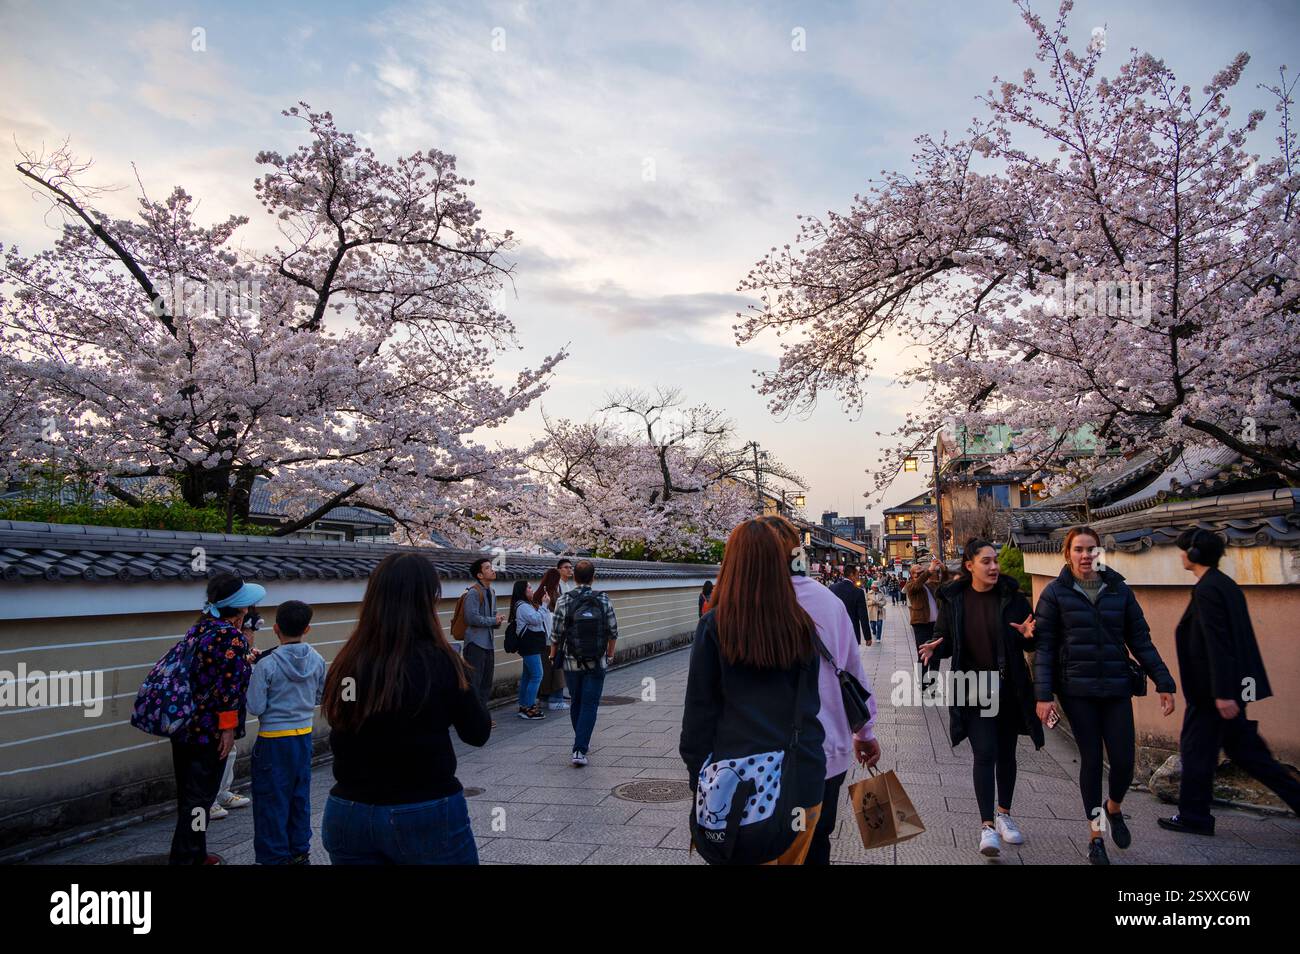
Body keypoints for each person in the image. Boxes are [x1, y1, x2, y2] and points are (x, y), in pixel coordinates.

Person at [322, 552, 490, 864]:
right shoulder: (441, 662)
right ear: (428, 599)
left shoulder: (348, 662)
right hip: (425, 807)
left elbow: (340, 724)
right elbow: (477, 732)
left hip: (348, 810)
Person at [679, 518, 830, 865]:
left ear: (732, 563)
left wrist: (697, 778)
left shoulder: (715, 626)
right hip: (800, 778)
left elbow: (698, 715)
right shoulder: (801, 625)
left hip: (738, 789)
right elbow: (810, 702)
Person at [1033, 526, 1177, 865]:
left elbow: (1140, 640)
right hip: (1076, 689)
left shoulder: (1119, 590)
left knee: (1124, 762)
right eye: (1079, 550)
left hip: (1115, 686)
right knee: (1092, 762)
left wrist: (1164, 681)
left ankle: (1114, 808)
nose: (1085, 556)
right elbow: (1045, 647)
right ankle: (1095, 835)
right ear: (1067, 554)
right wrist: (1043, 695)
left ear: (1100, 552)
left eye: (1091, 549)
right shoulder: (1055, 593)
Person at [1159, 529, 1300, 835]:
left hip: (1213, 694)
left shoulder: (1208, 590)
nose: (1181, 555)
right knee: (1250, 756)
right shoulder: (1225, 586)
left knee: (1197, 752)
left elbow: (1218, 644)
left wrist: (1222, 693)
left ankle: (1194, 817)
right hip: (1228, 690)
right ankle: (1195, 815)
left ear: (1195, 554)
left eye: (1184, 550)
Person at [761, 515, 881, 866]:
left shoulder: (743, 606)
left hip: (764, 754)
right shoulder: (829, 602)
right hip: (827, 749)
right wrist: (865, 732)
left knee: (773, 843)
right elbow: (853, 672)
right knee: (816, 840)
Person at [920, 539, 1042, 860]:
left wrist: (1031, 637)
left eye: (995, 561)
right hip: (973, 687)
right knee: (984, 752)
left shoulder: (1013, 599)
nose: (994, 567)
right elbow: (945, 641)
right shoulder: (954, 600)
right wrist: (934, 647)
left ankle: (1004, 813)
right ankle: (987, 825)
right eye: (986, 561)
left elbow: (1028, 643)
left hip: (1008, 687)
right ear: (969, 565)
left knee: (1007, 753)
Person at [169, 571, 262, 864]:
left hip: (183, 723)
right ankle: (188, 858)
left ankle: (193, 851)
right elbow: (228, 689)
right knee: (201, 798)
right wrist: (227, 729)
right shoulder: (229, 636)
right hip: (208, 729)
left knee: (189, 796)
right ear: (236, 607)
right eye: (245, 605)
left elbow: (208, 674)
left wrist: (242, 662)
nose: (247, 611)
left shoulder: (201, 629)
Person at [247, 599, 326, 865]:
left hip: (272, 741)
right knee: (299, 796)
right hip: (303, 736)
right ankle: (299, 851)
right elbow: (320, 696)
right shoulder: (317, 659)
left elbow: (256, 706)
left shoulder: (266, 664)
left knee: (272, 800)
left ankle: (274, 857)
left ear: (276, 629)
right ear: (308, 629)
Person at [550, 560, 618, 766]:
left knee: (576, 701)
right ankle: (580, 747)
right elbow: (613, 631)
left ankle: (580, 742)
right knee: (590, 704)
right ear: (593, 577)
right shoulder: (603, 599)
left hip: (571, 660)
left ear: (574, 577)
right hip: (597, 660)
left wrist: (553, 655)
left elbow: (556, 633)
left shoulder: (564, 600)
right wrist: (610, 654)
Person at [462, 557, 504, 723]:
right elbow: (471, 618)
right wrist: (493, 621)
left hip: (488, 642)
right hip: (475, 643)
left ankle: (482, 716)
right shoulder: (473, 592)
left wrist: (496, 619)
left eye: (491, 567)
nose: (492, 570)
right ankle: (473, 717)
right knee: (474, 682)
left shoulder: (491, 592)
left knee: (486, 682)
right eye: (487, 568)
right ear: (480, 575)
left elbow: (489, 616)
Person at [508, 580, 549, 720]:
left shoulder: (524, 605)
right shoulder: (523, 606)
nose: (532, 590)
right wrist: (544, 605)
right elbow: (537, 619)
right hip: (529, 645)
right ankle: (529, 707)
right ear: (522, 591)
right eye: (529, 588)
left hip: (530, 644)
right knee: (537, 675)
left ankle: (524, 705)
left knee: (527, 676)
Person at [905, 558, 948, 690]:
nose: (919, 575)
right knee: (923, 654)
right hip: (920, 624)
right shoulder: (911, 586)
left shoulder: (931, 584)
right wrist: (928, 571)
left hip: (935, 624)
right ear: (911, 575)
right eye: (916, 573)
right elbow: (918, 583)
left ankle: (933, 684)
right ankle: (923, 684)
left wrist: (943, 569)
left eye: (921, 572)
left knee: (936, 655)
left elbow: (944, 583)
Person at [533, 568, 568, 711]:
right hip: (553, 637)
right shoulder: (553, 594)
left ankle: (543, 699)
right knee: (557, 669)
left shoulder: (538, 594)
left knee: (545, 671)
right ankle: (556, 699)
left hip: (541, 638)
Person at [828, 565, 870, 646]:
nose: (858, 577)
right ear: (852, 575)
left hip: (835, 631)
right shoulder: (858, 592)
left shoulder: (833, 588)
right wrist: (867, 637)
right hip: (852, 632)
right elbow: (863, 616)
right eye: (857, 575)